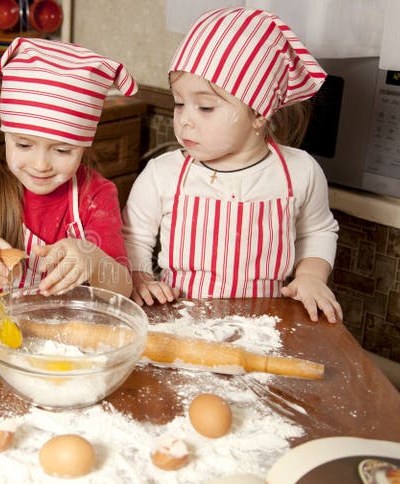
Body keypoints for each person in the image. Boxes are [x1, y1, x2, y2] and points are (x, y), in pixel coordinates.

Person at [122, 7, 343, 323]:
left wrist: (311, 276)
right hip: (181, 320)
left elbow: (318, 230)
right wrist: (140, 276)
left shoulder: (298, 172)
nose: (185, 120)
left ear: (259, 113)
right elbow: (132, 236)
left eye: (206, 107)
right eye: (179, 103)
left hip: (266, 323)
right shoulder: (163, 174)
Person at [0, 38, 136, 301]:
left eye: (62, 150)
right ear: (5, 136)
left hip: (73, 335)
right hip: (2, 334)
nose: (40, 165)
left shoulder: (96, 194)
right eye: (24, 144)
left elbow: (123, 288)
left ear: (83, 147)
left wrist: (92, 259)